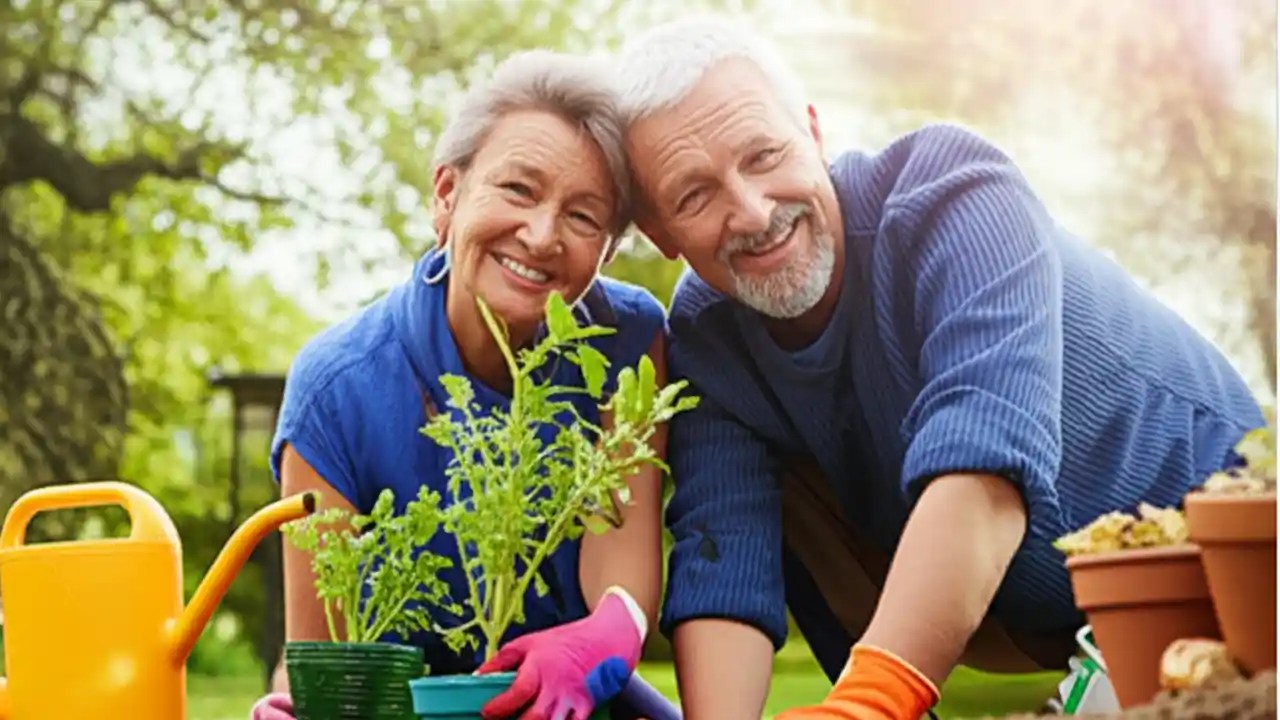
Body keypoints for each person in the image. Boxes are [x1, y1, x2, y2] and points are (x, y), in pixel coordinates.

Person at [609, 16, 1266, 720]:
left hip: (1216, 561)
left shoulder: (952, 193)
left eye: (764, 155)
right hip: (1023, 603)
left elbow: (985, 464)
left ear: (813, 131)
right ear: (660, 235)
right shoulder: (707, 334)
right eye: (694, 196)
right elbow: (725, 553)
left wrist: (866, 703)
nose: (751, 211)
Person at [251, 50, 679, 720]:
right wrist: (296, 702)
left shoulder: (626, 339)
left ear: (608, 251)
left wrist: (609, 630)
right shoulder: (338, 387)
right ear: (446, 195)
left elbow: (619, 589)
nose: (540, 235)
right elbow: (323, 642)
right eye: (517, 190)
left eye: (584, 217)